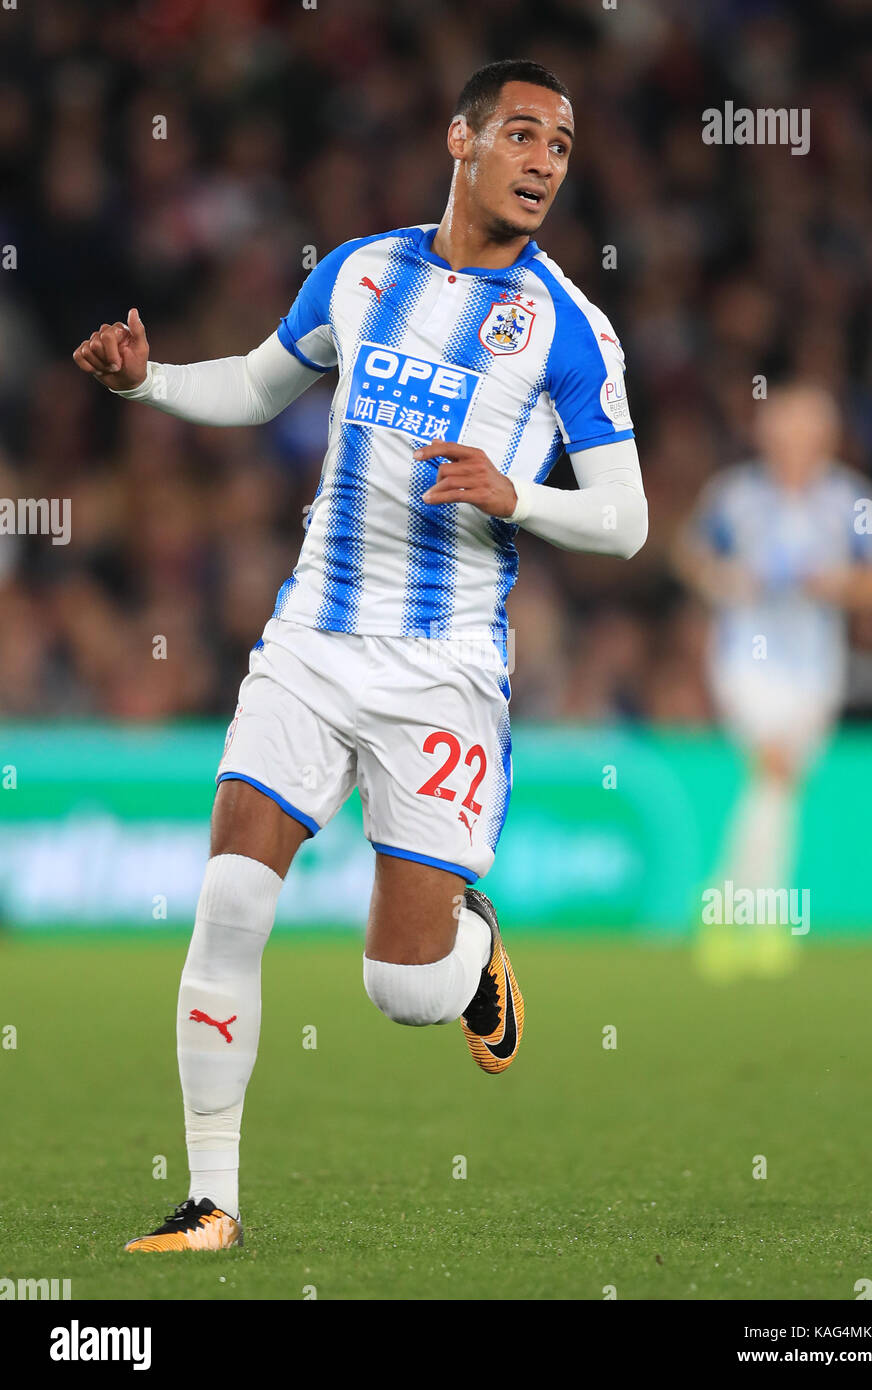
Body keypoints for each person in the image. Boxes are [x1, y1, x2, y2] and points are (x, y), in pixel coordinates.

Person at [73, 58, 647, 1252]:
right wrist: (151, 382)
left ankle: (473, 947)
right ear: (461, 138)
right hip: (310, 640)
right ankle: (212, 1200)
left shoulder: (568, 331)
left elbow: (628, 520)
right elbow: (256, 386)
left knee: (403, 991)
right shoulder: (359, 269)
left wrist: (518, 495)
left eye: (563, 145)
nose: (546, 161)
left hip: (440, 674)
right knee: (230, 896)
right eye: (526, 135)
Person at [675, 383, 872, 979]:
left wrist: (839, 585)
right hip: (746, 660)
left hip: (817, 664)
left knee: (777, 787)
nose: (795, 443)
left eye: (807, 432)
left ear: (825, 438)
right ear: (766, 434)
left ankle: (727, 904)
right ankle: (763, 920)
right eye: (784, 430)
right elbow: (690, 554)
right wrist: (722, 578)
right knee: (773, 767)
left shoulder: (851, 498)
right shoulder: (735, 494)